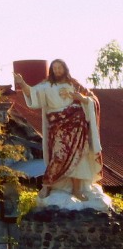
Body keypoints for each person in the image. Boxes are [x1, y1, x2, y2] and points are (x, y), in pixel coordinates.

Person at [14, 59, 103, 202]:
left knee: (78, 157)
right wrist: (22, 83)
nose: (57, 70)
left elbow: (92, 100)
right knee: (58, 156)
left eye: (60, 67)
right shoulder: (46, 85)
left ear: (65, 69)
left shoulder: (74, 84)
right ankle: (47, 185)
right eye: (54, 68)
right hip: (58, 127)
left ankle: (76, 190)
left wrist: (81, 98)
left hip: (77, 126)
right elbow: (32, 93)